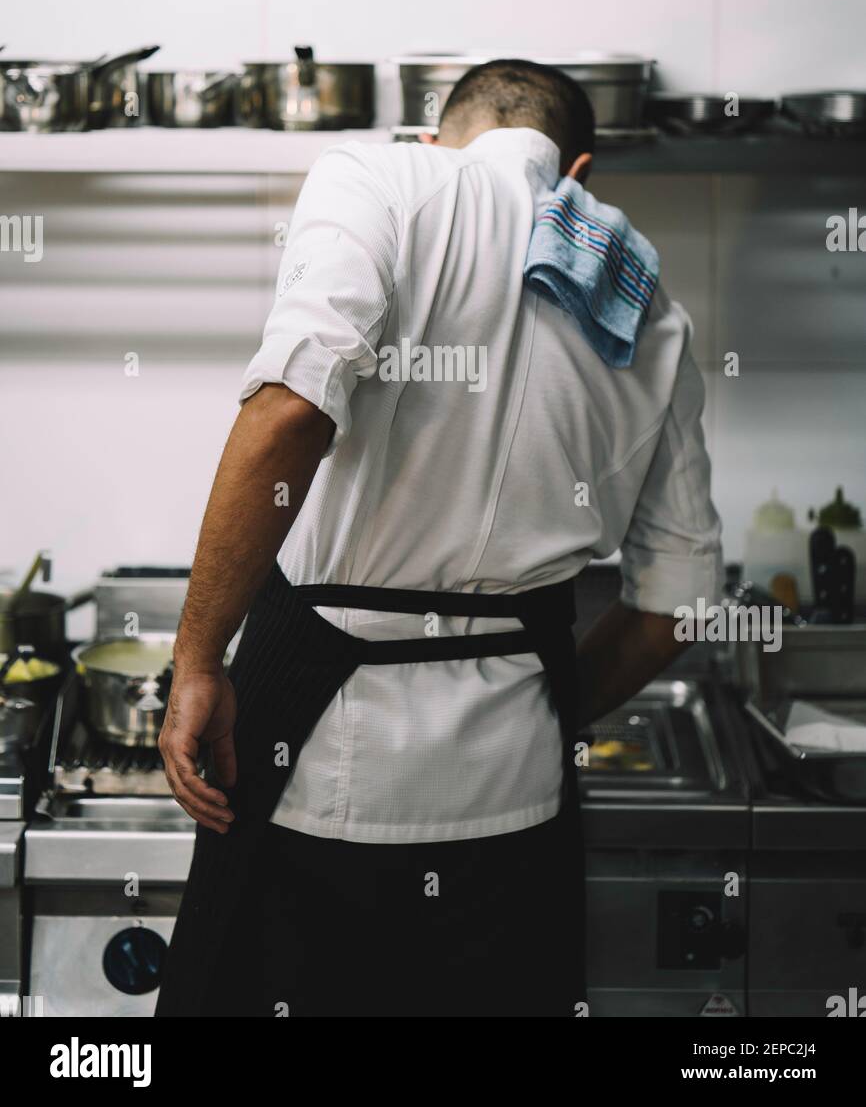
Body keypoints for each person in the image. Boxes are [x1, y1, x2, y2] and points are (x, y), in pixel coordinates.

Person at [156, 58, 722, 1018]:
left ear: (434, 136)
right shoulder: (652, 310)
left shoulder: (377, 179)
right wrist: (538, 700)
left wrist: (197, 658)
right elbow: (679, 607)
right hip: (518, 803)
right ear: (576, 172)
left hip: (318, 779)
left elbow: (292, 411)